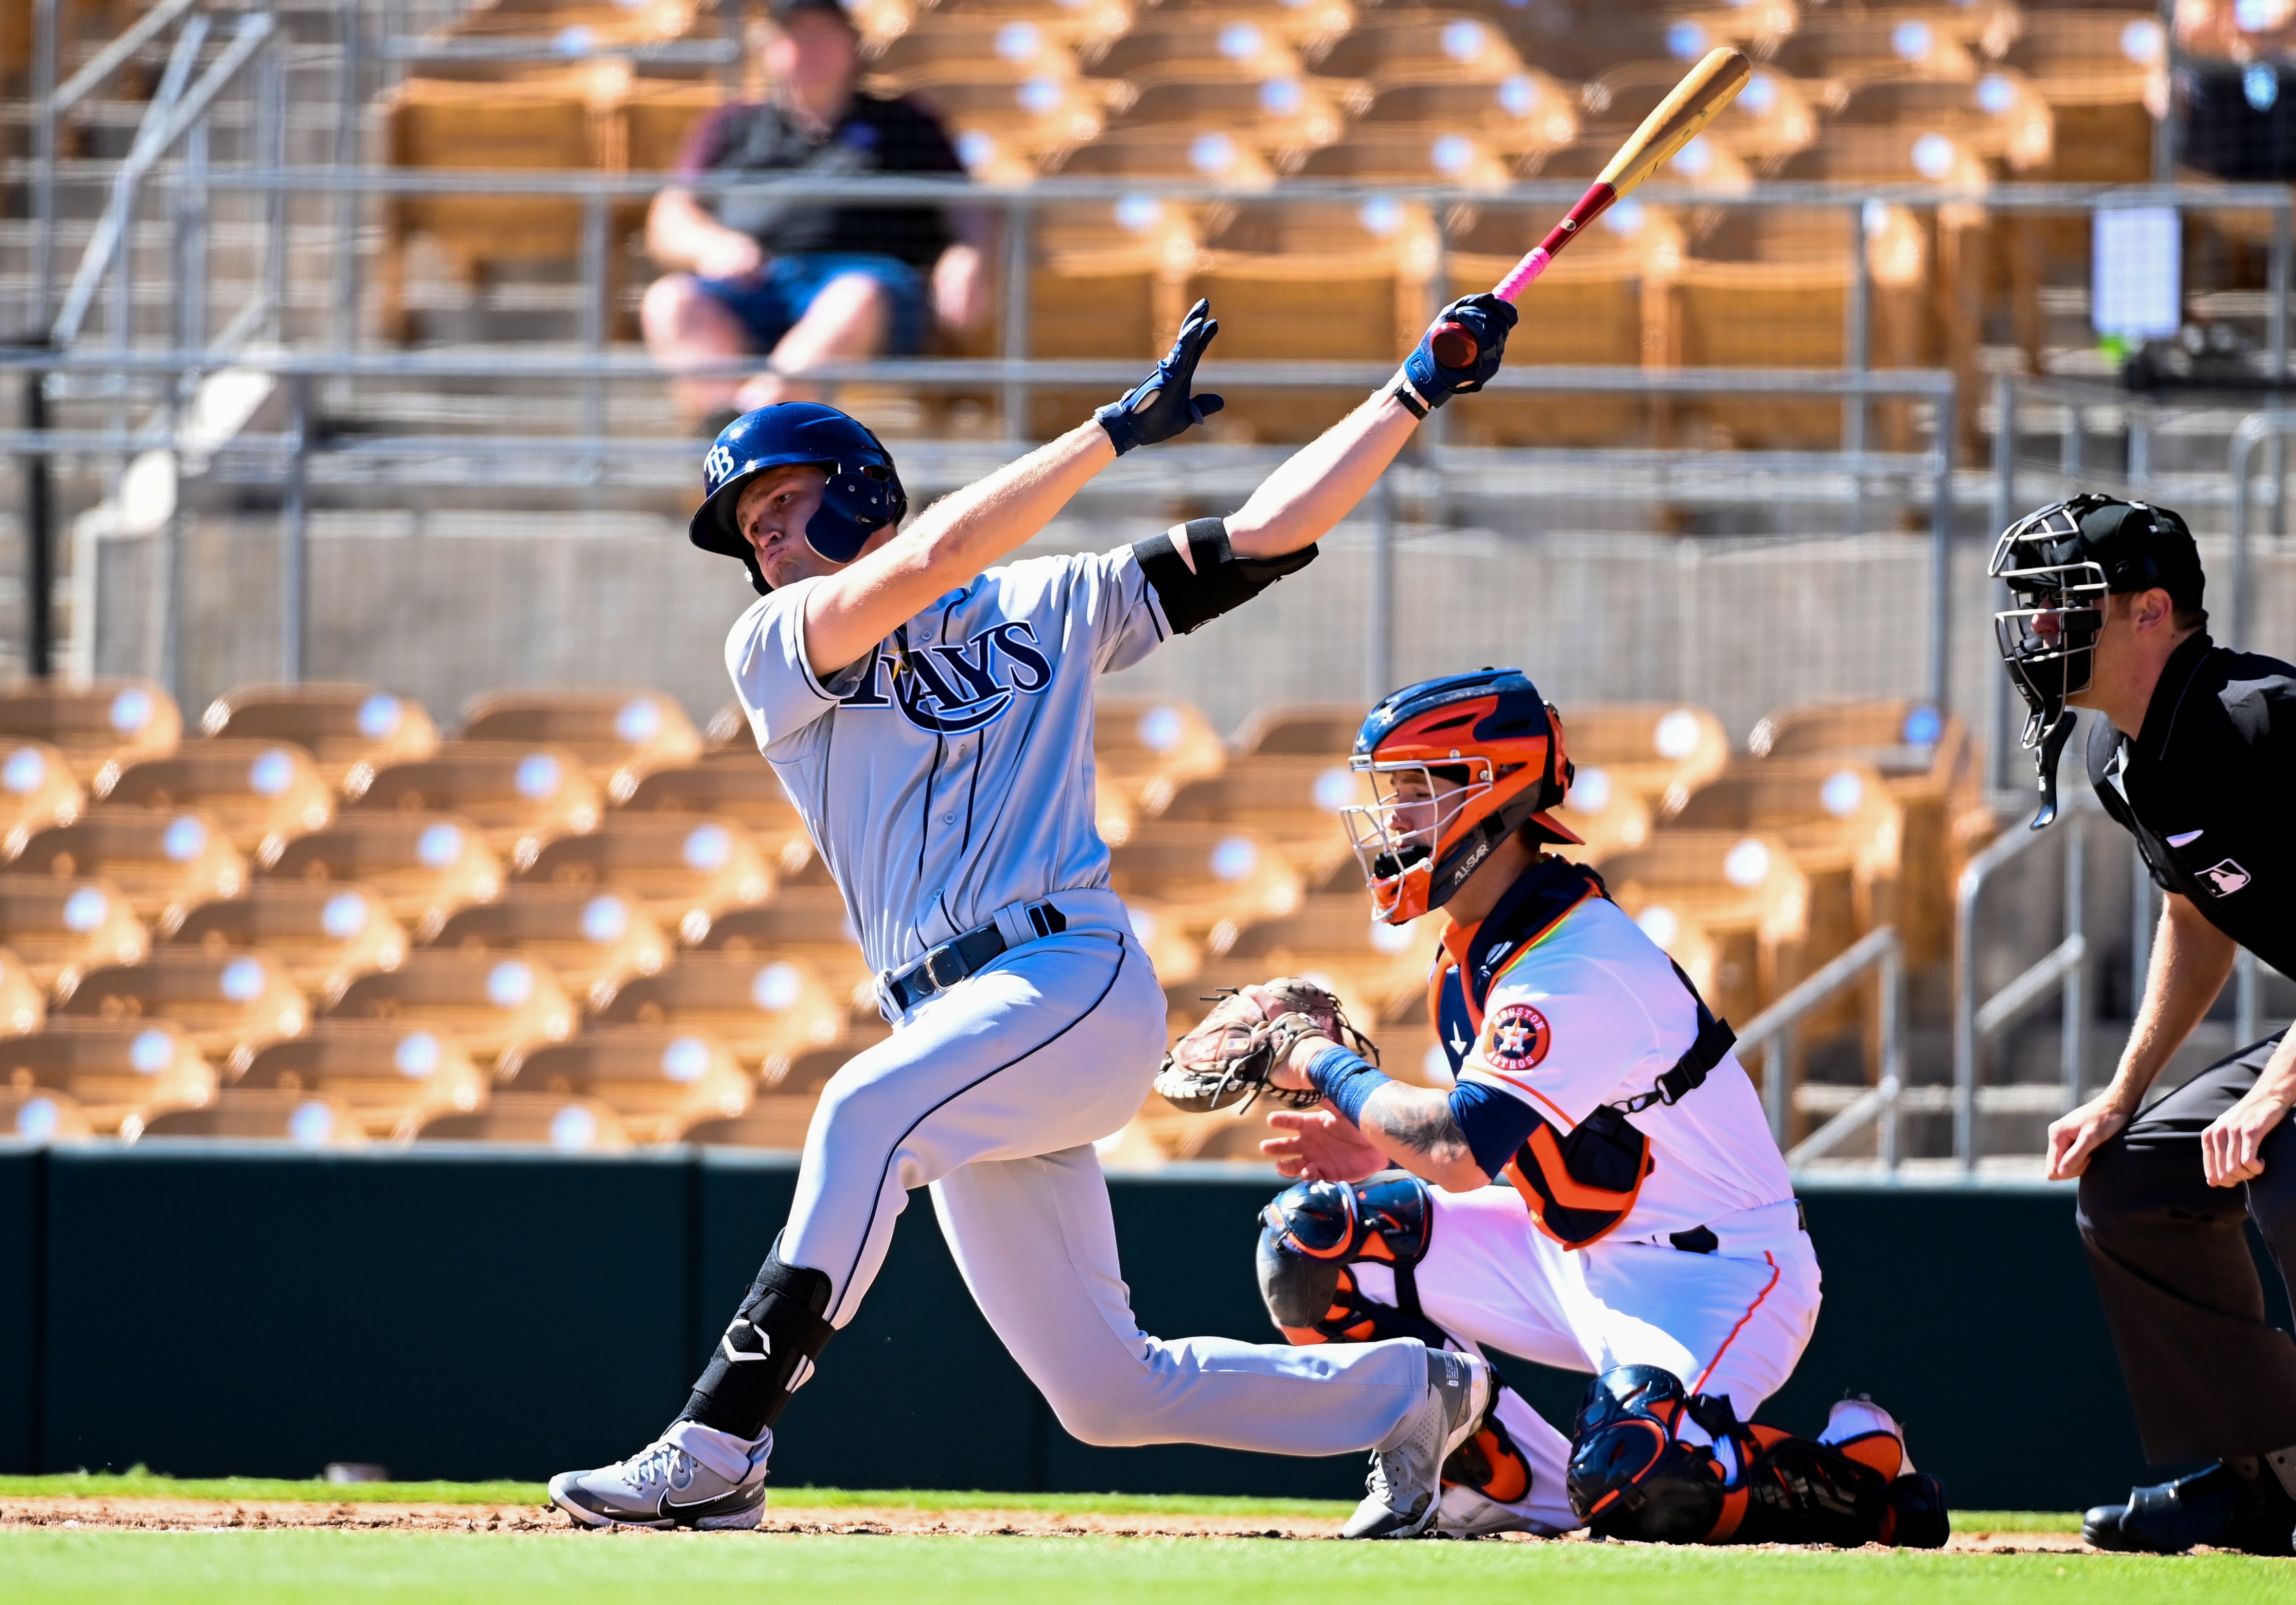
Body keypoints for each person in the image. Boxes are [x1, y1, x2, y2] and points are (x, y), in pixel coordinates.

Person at [549, 289, 1531, 1538]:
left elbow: (1269, 532)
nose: (774, 542)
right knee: (1106, 1393)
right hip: (957, 1022)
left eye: (790, 504)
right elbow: (929, 566)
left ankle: (718, 1438)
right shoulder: (774, 647)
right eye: (756, 526)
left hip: (1067, 975)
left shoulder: (1047, 601)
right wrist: (1107, 434)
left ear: (859, 489)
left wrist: (1411, 390)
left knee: (864, 1109)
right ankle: (1417, 1386)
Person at [1232, 670, 1948, 1545]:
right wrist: (1386, 1149)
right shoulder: (1475, 945)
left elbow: (1460, 1147)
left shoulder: (1572, 958)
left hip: (1714, 1270)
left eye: (1418, 791)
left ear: (1491, 793)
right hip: (1564, 1244)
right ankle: (1496, 1477)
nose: (1394, 821)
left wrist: (1318, 1058)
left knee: (1637, 1477)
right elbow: (1515, 1141)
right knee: (1307, 1246)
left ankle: (1864, 1468)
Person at [1997, 493, 2296, 1557]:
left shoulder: (2261, 714)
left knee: (2286, 1159)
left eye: (2064, 600)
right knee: (2131, 1178)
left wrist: (2272, 1089)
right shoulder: (2117, 758)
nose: (2038, 626)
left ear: (2150, 611)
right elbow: (2195, 916)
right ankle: (2261, 1479)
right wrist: (2121, 1092)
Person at [641, 0, 991, 424]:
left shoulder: (904, 121)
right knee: (670, 300)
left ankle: (746, 428)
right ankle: (745, 433)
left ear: (853, 47)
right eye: (795, 37)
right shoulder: (733, 125)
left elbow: (968, 206)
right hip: (755, 284)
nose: (809, 50)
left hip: (870, 287)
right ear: (769, 50)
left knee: (851, 298)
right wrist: (711, 246)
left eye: (823, 36)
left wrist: (969, 255)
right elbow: (673, 214)